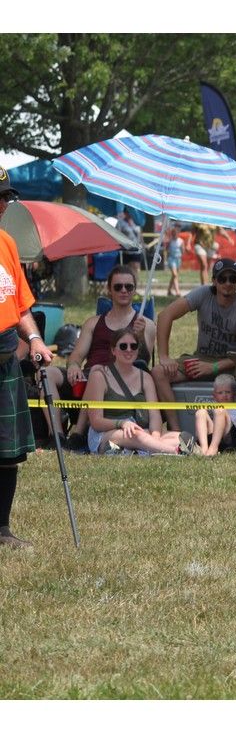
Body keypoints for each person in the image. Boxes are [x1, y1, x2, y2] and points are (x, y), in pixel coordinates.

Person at [43, 265, 157, 451]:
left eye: (129, 287)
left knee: (97, 371)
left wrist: (141, 336)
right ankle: (58, 436)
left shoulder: (147, 325)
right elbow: (76, 356)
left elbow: (143, 361)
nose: (123, 291)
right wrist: (73, 366)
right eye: (118, 286)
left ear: (135, 290)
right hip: (88, 375)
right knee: (47, 374)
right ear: (109, 290)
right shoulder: (93, 323)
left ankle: (78, 433)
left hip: (122, 380)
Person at [0, 166, 54, 548]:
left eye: (5, 197)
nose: (4, 204)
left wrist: (34, 339)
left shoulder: (7, 243)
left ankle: (1, 530)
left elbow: (21, 306)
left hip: (4, 357)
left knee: (6, 451)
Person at [152, 258, 236, 431]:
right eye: (222, 279)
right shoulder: (203, 294)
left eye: (232, 279)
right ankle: (176, 432)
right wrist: (163, 356)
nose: (227, 283)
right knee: (159, 372)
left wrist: (214, 367)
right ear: (214, 281)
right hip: (201, 359)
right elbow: (165, 315)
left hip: (234, 363)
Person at [85, 328, 196, 456]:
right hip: (106, 433)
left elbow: (154, 415)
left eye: (133, 346)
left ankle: (138, 449)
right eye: (123, 346)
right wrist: (122, 423)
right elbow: (96, 421)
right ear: (113, 350)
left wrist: (155, 436)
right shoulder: (99, 376)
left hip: (141, 431)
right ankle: (176, 452)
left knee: (179, 437)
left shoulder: (145, 377)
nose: (128, 350)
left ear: (138, 350)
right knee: (136, 435)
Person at [193, 373, 236, 456]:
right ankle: (204, 449)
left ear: (235, 394)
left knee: (220, 411)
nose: (224, 395)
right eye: (220, 393)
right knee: (201, 412)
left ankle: (213, 449)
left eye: (228, 392)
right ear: (214, 396)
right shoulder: (211, 406)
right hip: (218, 440)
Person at [117, 211, 144, 278]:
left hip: (137, 250)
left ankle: (135, 285)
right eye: (127, 212)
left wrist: (143, 244)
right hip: (126, 250)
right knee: (126, 270)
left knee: (135, 269)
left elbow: (140, 235)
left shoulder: (137, 223)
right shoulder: (121, 223)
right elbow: (118, 234)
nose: (129, 214)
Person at [165, 222, 183, 297]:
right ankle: (177, 291)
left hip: (178, 259)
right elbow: (167, 249)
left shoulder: (181, 241)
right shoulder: (170, 241)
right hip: (171, 259)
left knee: (174, 276)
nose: (175, 234)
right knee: (175, 275)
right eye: (173, 233)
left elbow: (182, 250)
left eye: (176, 233)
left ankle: (169, 290)